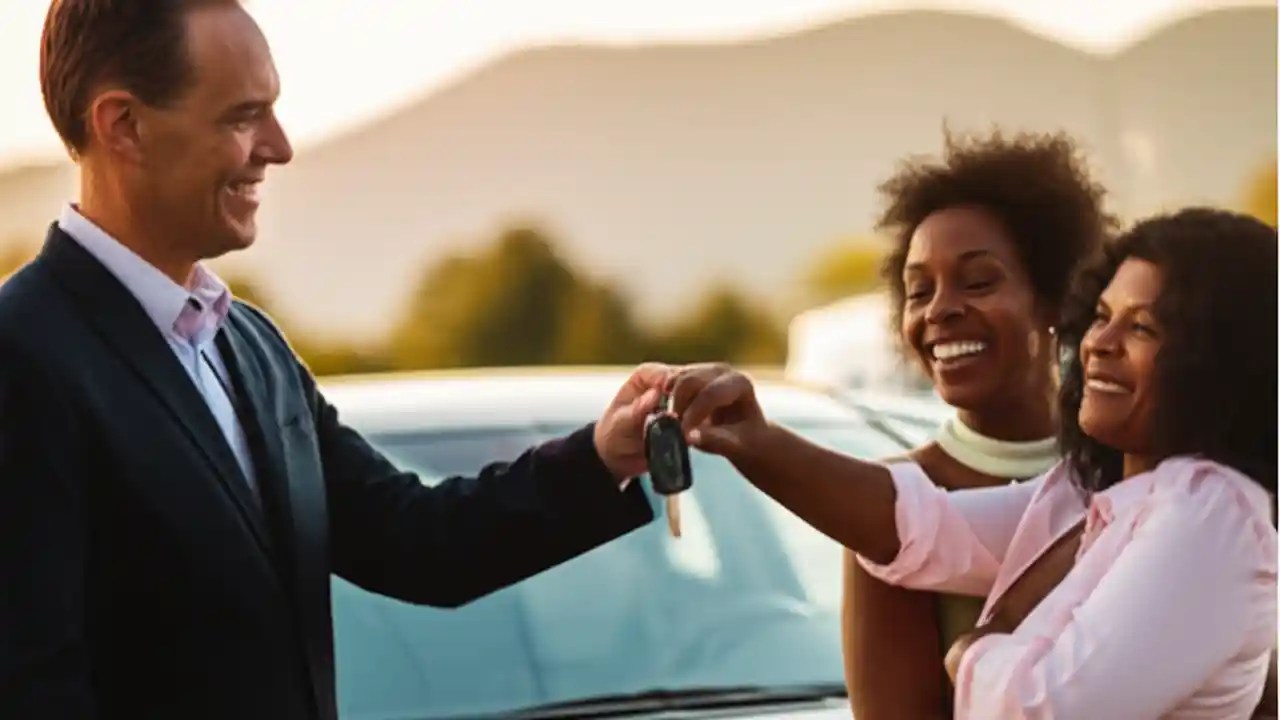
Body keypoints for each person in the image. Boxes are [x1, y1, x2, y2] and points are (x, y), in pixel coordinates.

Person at [0, 2, 666, 718]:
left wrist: (603, 457)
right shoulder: (21, 357)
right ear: (123, 124)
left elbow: (416, 541)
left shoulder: (251, 347)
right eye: (242, 116)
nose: (280, 147)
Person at [669, 208, 1277, 718]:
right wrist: (756, 438)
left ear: (1216, 363)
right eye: (1100, 315)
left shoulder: (1212, 510)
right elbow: (919, 528)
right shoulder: (1096, 492)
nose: (1099, 343)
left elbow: (1039, 709)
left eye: (1141, 327)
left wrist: (973, 654)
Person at [839, 128, 1111, 718]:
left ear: (1056, 302)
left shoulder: (1131, 474)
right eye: (918, 291)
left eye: (978, 280)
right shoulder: (888, 505)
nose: (939, 309)